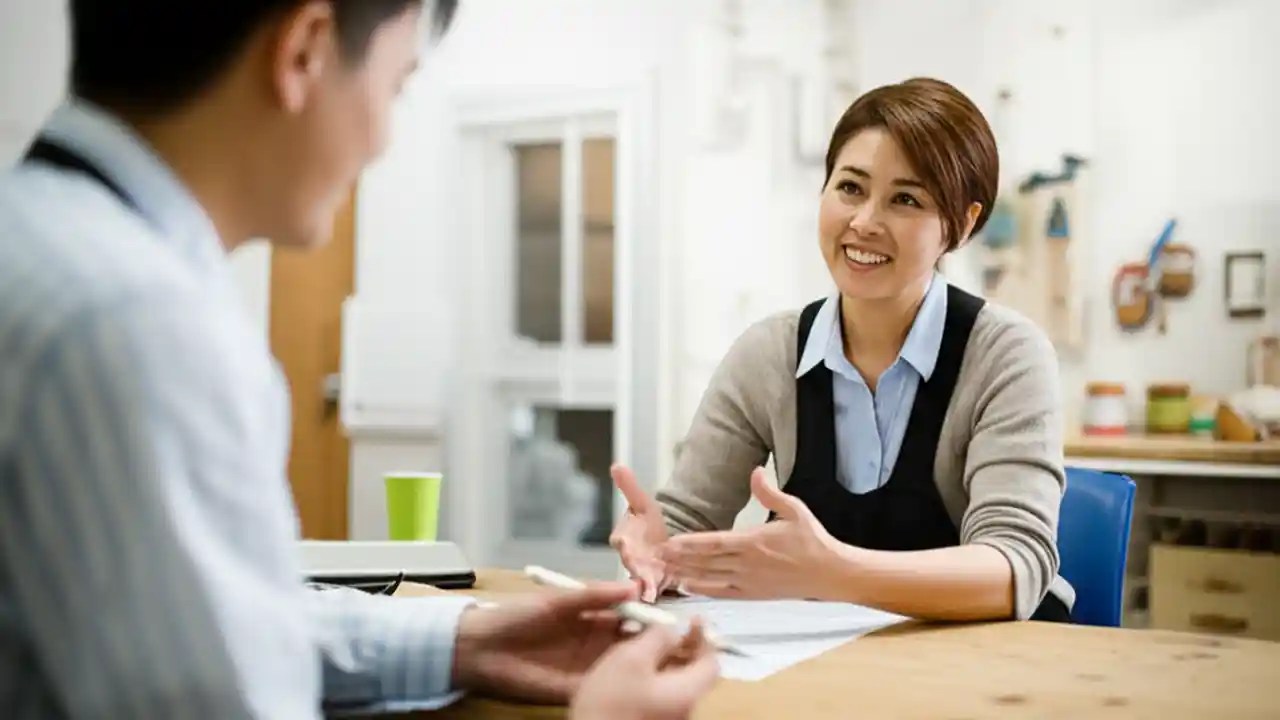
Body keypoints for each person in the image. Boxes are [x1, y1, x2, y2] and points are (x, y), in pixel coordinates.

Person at [0, 1, 716, 718]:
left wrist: (472, 641)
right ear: (305, 51)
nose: (383, 141)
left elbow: (222, 621)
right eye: (397, 86)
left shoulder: (42, 243)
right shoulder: (138, 328)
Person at [610, 77, 1074, 624]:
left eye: (906, 199)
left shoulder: (1007, 355)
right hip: (824, 660)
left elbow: (1014, 569)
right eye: (851, 188)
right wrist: (657, 551)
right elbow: (686, 522)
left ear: (963, 224)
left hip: (981, 667)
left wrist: (831, 572)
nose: (865, 222)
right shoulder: (769, 352)